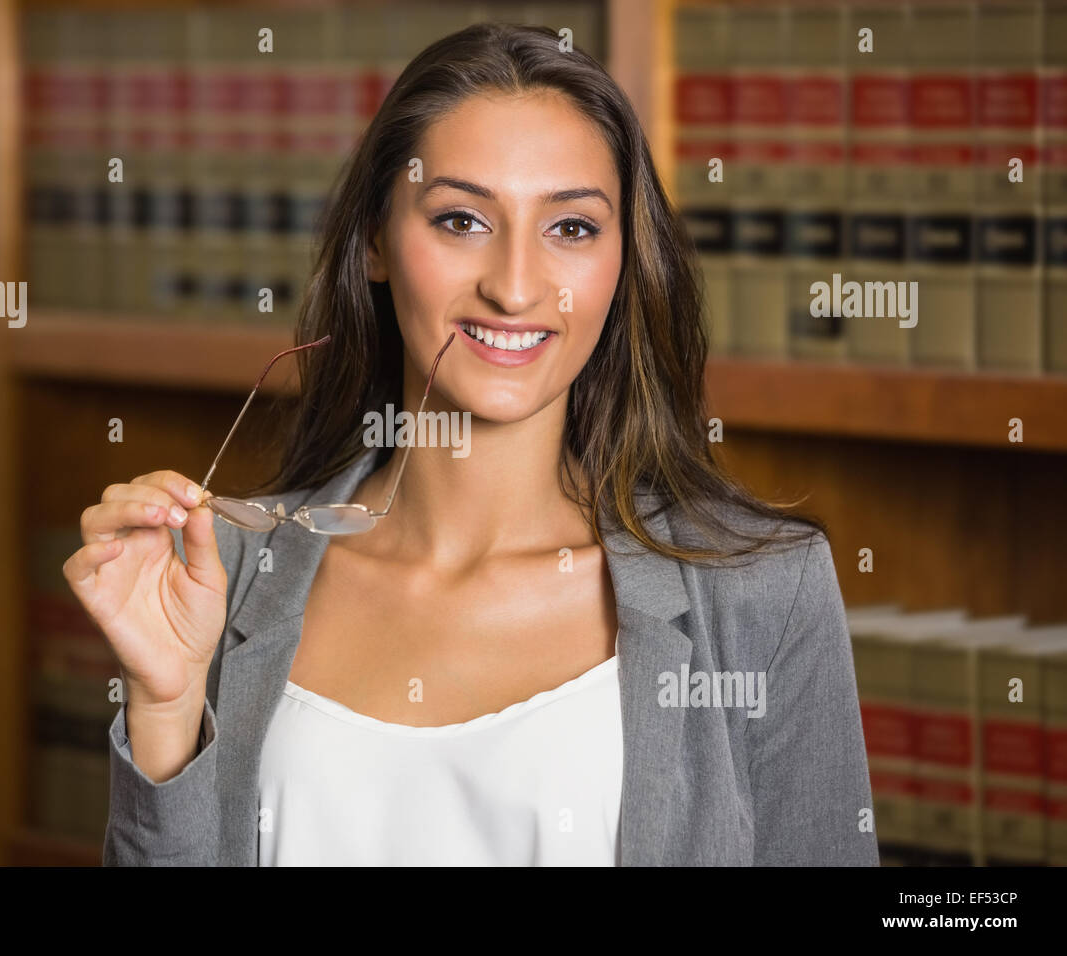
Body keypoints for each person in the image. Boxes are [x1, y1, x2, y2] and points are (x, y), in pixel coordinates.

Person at [63, 22, 877, 866]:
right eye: (460, 219)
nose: (515, 286)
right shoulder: (221, 577)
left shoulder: (764, 596)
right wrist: (165, 707)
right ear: (375, 242)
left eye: (571, 228)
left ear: (625, 261)